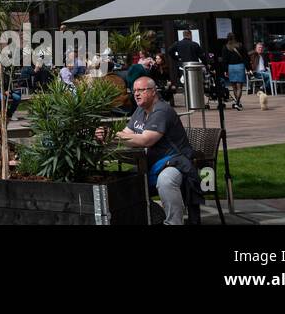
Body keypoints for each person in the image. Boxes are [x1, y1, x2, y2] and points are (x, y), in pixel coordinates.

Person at [105, 76, 201, 225]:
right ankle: (149, 215)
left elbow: (146, 140)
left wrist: (111, 135)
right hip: (152, 163)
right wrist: (108, 136)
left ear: (153, 92)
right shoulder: (140, 110)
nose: (136, 94)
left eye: (141, 90)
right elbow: (127, 133)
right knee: (124, 181)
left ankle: (173, 222)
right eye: (134, 90)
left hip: (175, 162)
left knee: (166, 180)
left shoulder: (161, 110)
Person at [221, 35, 248, 111]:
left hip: (231, 67)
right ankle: (237, 103)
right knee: (239, 87)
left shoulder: (225, 47)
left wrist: (225, 70)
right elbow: (246, 57)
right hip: (240, 66)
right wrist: (249, 68)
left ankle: (237, 103)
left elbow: (224, 60)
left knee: (234, 87)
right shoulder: (240, 45)